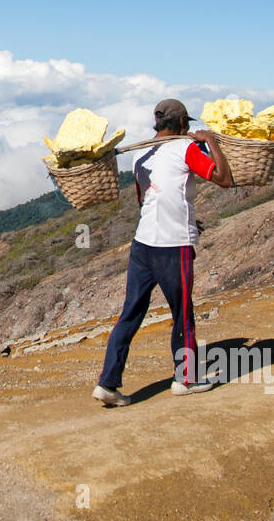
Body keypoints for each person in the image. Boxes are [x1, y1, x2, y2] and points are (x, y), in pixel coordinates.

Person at [93, 99, 234, 406]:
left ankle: (108, 383)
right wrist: (209, 141)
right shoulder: (187, 149)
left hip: (143, 244)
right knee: (183, 313)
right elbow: (224, 178)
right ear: (183, 123)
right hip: (173, 246)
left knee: (130, 313)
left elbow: (145, 201)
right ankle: (185, 379)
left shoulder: (141, 154)